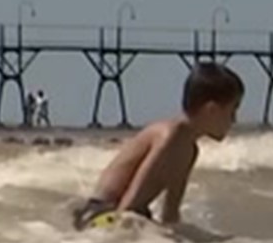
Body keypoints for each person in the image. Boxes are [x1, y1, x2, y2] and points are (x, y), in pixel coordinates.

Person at [68, 62, 243, 234]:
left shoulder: (189, 150)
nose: (234, 120)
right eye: (232, 110)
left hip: (119, 215)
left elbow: (170, 217)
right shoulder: (170, 137)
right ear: (211, 110)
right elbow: (129, 207)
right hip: (101, 216)